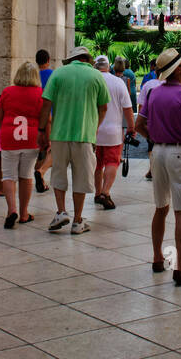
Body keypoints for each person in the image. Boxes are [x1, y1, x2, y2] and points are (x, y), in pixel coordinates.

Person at [136, 47, 181, 286]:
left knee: (160, 207)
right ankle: (179, 266)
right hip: (178, 150)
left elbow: (139, 124)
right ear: (179, 69)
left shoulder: (153, 93)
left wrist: (153, 137)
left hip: (158, 152)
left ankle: (157, 257)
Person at [38, 45, 109, 234]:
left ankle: (61, 211)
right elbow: (103, 108)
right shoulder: (96, 76)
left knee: (59, 174)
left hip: (59, 135)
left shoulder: (59, 74)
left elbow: (46, 103)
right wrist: (94, 126)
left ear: (71, 59)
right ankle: (78, 220)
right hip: (85, 136)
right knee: (81, 178)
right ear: (88, 59)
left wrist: (41, 129)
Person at [0, 62, 44, 228]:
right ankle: (24, 213)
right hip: (31, 139)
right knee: (26, 176)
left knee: (8, 176)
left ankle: (12, 210)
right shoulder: (40, 93)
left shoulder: (7, 91)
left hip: (10, 138)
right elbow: (45, 118)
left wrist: (4, 130)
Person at [93, 56, 135, 209]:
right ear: (108, 66)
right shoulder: (118, 82)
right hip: (113, 131)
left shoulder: (92, 81)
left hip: (93, 130)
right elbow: (127, 107)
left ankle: (97, 193)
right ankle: (106, 191)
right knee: (112, 161)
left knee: (97, 164)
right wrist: (131, 127)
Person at [33, 50, 54, 193]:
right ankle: (41, 172)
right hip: (50, 116)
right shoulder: (53, 74)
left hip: (36, 116)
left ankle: (39, 175)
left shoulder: (33, 76)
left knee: (41, 149)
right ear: (48, 59)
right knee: (53, 149)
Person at [138, 60, 162, 181]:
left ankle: (152, 168)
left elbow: (141, 105)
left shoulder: (148, 84)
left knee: (151, 145)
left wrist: (141, 119)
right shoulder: (170, 84)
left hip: (150, 119)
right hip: (165, 119)